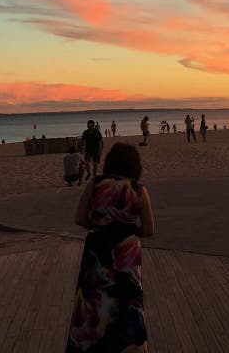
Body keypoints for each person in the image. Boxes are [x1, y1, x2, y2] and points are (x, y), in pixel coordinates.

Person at [67, 143, 154, 352]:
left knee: (93, 303)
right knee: (127, 302)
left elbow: (79, 218)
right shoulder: (139, 190)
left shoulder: (96, 183)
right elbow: (149, 228)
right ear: (135, 166)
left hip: (97, 249)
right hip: (127, 255)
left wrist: (99, 227)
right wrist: (129, 233)